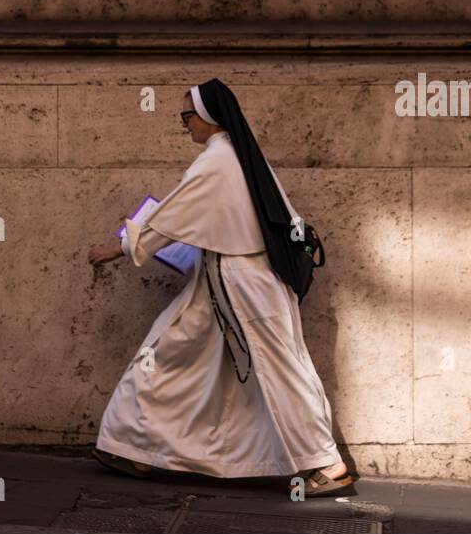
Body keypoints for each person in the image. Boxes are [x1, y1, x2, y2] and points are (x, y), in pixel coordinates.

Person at [86, 79, 354, 496]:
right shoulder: (239, 156)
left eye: (186, 117)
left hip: (243, 281)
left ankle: (327, 463)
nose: (184, 126)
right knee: (170, 352)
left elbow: (169, 217)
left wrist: (119, 248)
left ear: (208, 117)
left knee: (278, 367)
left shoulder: (216, 160)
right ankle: (134, 445)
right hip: (226, 279)